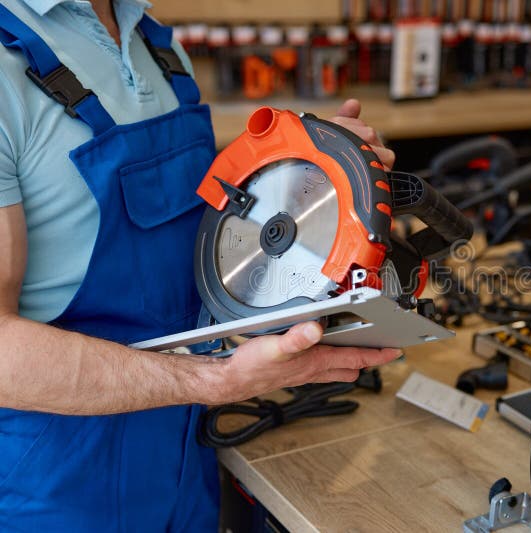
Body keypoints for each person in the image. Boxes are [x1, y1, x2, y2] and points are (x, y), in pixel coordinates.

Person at [0, 0, 400, 530]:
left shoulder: (156, 43)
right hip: (63, 484)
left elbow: (209, 240)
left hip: (188, 450)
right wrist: (215, 381)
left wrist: (312, 169)